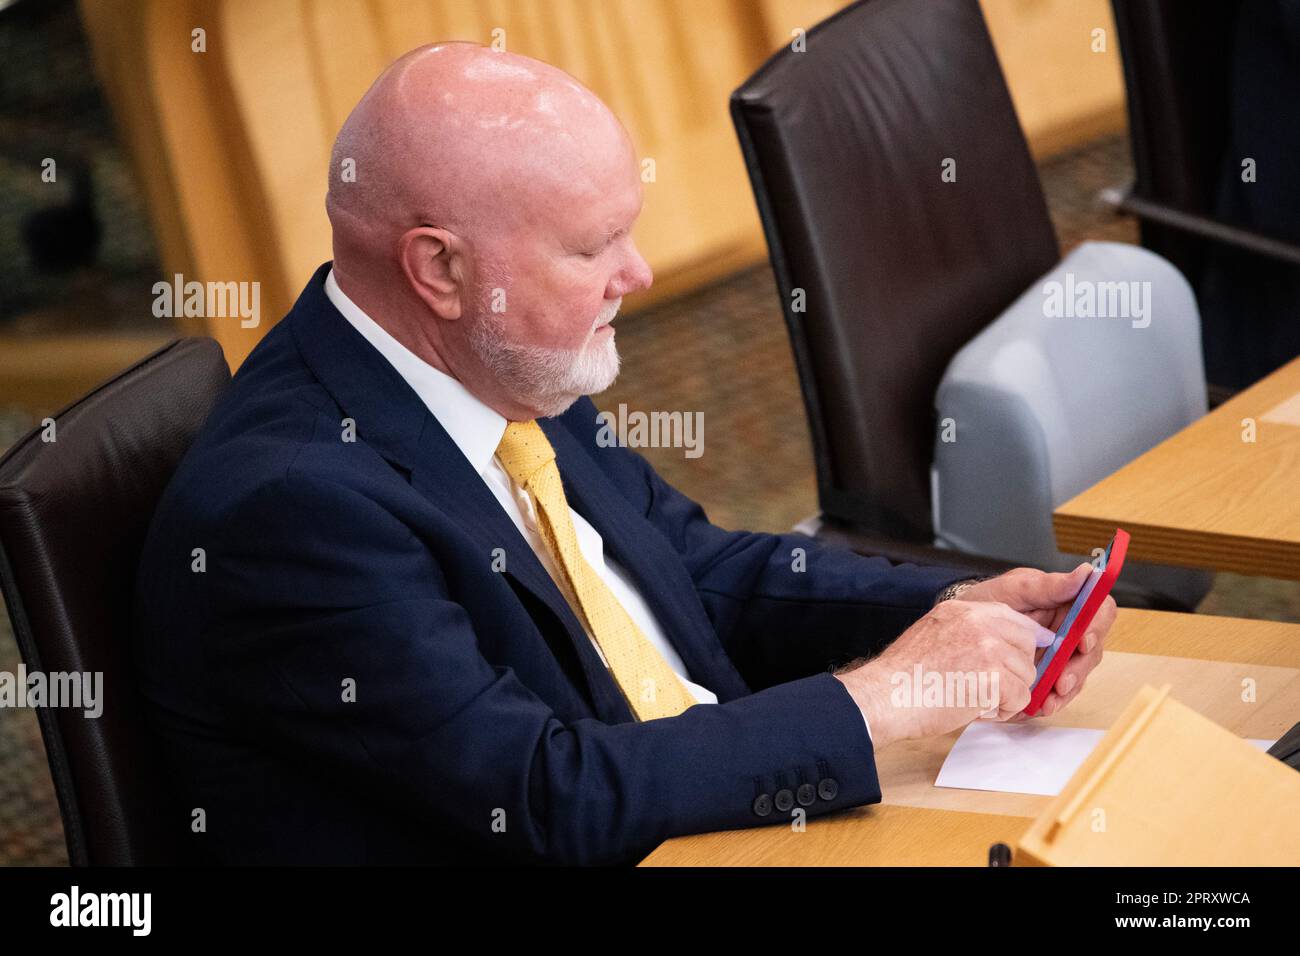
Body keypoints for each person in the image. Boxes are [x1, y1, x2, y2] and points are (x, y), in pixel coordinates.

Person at [132, 42, 1113, 865]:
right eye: (593, 247)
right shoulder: (293, 508)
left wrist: (946, 614)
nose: (637, 276)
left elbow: (699, 573)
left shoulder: (501, 357)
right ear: (439, 267)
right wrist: (874, 698)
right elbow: (543, 793)